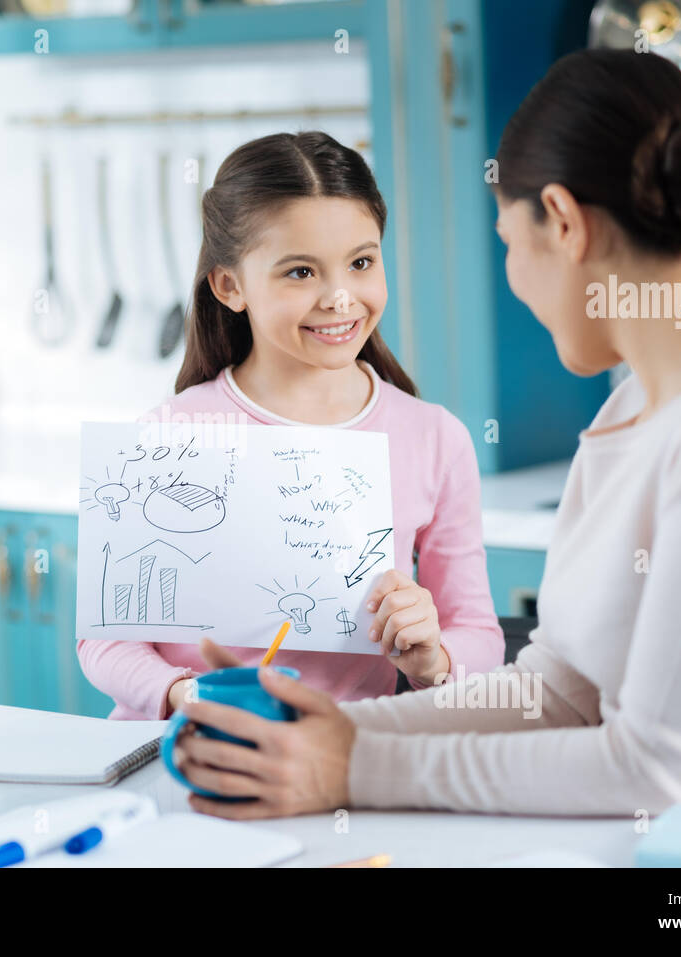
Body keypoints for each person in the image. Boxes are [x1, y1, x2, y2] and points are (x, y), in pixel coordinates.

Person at [172, 50, 681, 819]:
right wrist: (327, 728)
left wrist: (349, 768)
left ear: (562, 221)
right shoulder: (637, 409)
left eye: (508, 243)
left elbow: (649, 768)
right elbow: (558, 690)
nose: (515, 280)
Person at [77, 131, 504, 720]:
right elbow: (106, 641)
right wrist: (186, 695)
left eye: (361, 262)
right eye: (300, 272)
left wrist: (434, 658)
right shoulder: (167, 436)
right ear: (230, 287)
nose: (339, 297)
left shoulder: (435, 439)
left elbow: (478, 631)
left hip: (342, 761)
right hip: (184, 748)